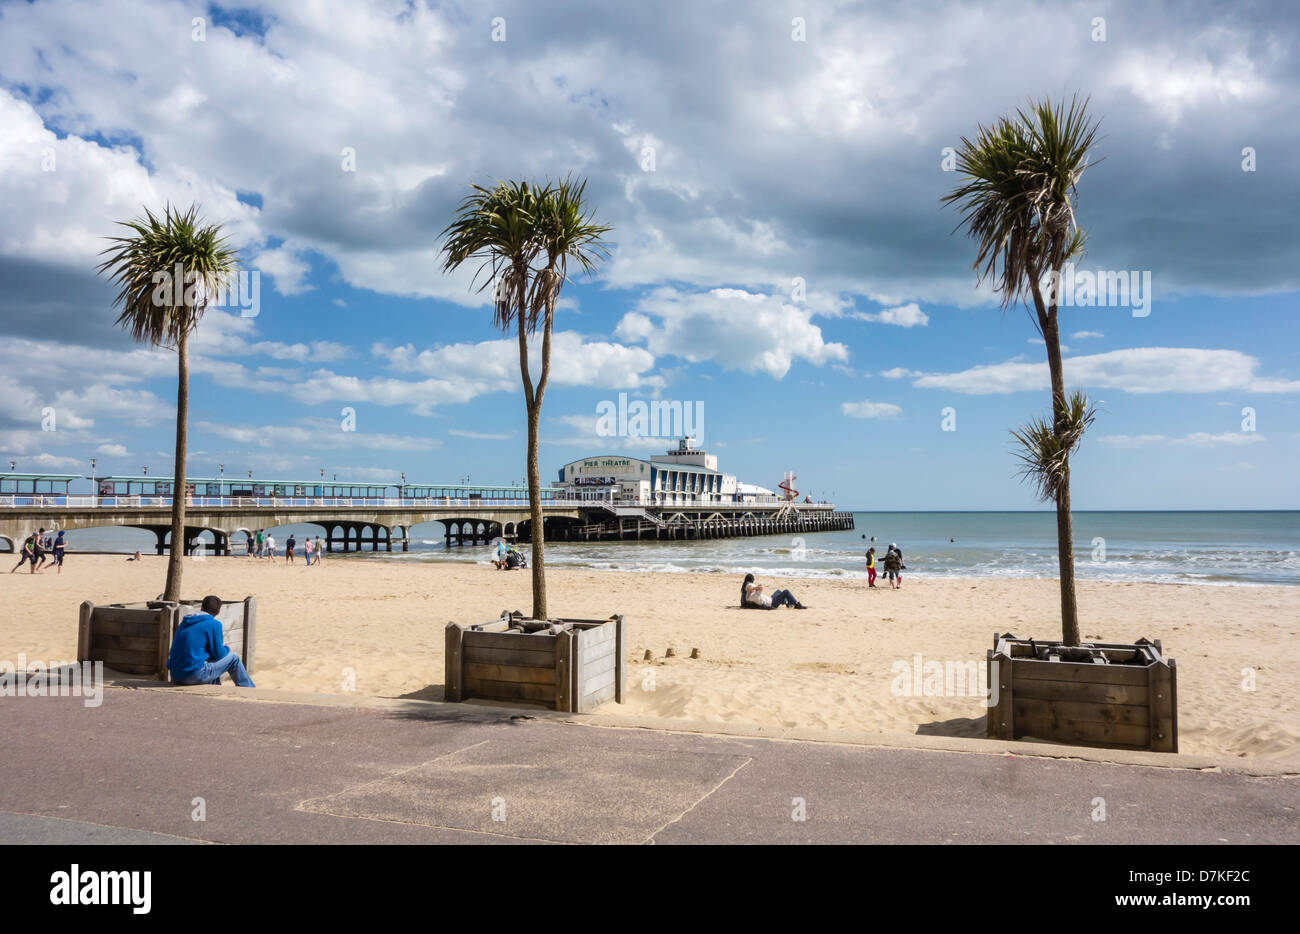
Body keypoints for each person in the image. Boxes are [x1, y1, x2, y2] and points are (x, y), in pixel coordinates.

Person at [166, 595, 256, 687]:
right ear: (218, 612)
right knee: (234, 658)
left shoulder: (185, 622)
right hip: (193, 675)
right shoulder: (214, 624)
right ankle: (248, 689)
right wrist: (227, 648)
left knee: (210, 661)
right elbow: (219, 654)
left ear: (201, 607)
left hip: (175, 675)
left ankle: (215, 688)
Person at [741, 573, 805, 609]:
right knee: (786, 591)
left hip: (770, 599)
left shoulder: (749, 595)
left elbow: (750, 589)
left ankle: (787, 603)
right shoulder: (753, 596)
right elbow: (761, 588)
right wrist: (755, 587)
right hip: (772, 603)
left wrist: (753, 588)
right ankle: (797, 604)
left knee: (778, 591)